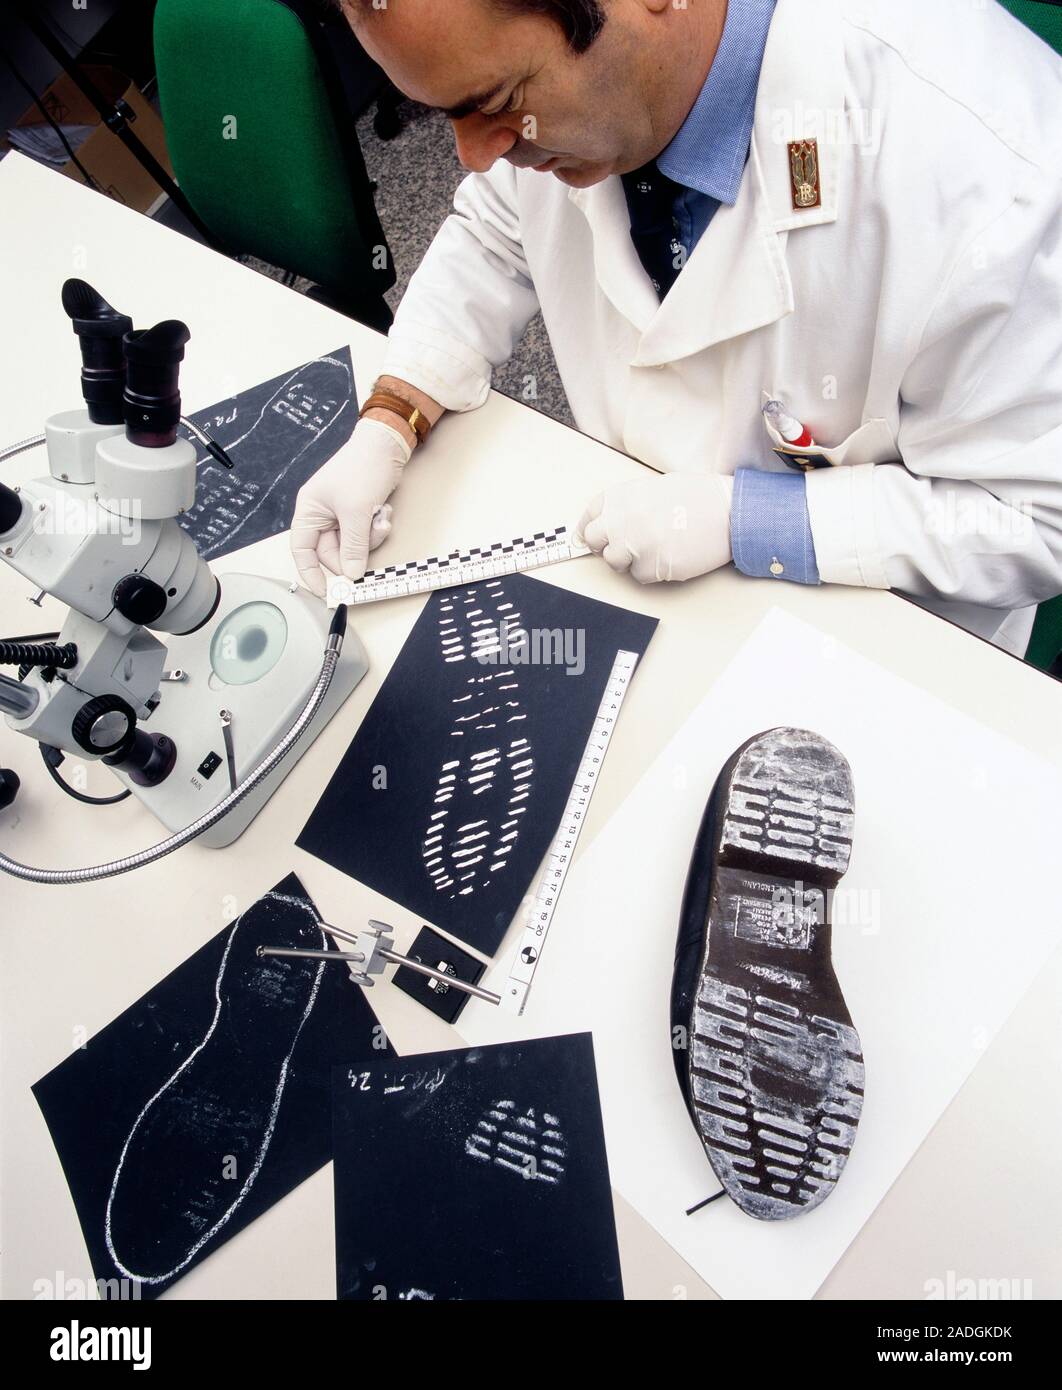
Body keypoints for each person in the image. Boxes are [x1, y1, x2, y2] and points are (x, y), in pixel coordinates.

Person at [291, 0, 1062, 657]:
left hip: (889, 635)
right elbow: (496, 234)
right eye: (442, 112)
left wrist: (748, 520)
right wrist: (392, 416)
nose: (473, 156)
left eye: (493, 102)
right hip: (641, 565)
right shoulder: (554, 121)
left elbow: (1032, 518)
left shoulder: (996, 176)